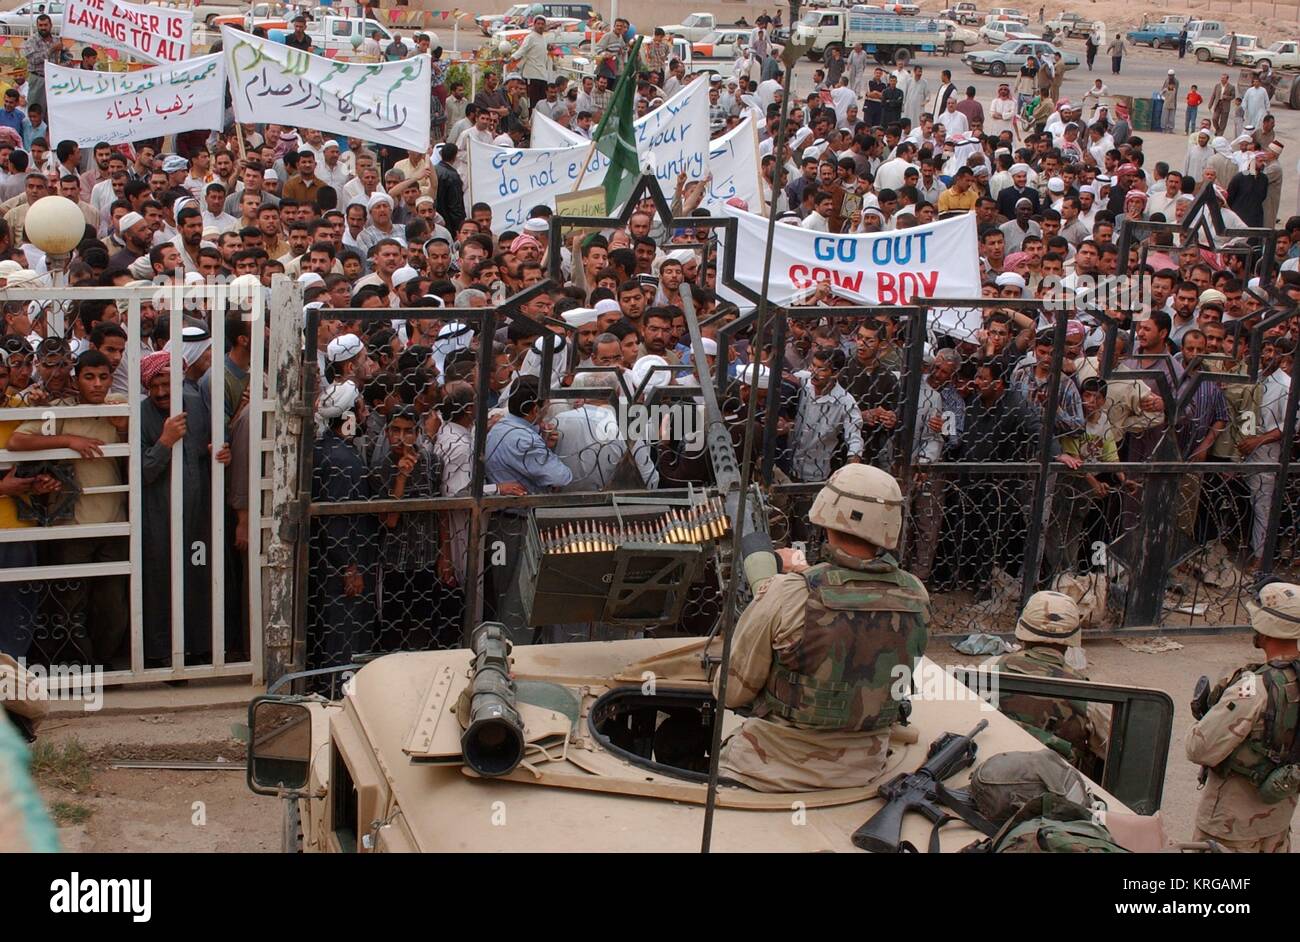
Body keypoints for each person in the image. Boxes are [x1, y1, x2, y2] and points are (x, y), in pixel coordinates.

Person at [717, 464, 928, 792]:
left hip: (768, 772)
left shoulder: (792, 593)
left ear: (828, 515)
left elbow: (730, 692)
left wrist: (776, 590)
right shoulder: (916, 594)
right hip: (864, 771)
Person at [1186, 582, 1300, 852]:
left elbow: (1199, 749)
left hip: (1231, 826)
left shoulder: (1252, 689)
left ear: (1265, 627)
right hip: (1277, 818)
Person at [988, 591, 1101, 776]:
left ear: (1021, 633)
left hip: (992, 775)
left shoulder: (989, 668)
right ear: (1072, 640)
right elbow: (1108, 751)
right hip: (1056, 788)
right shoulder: (1089, 695)